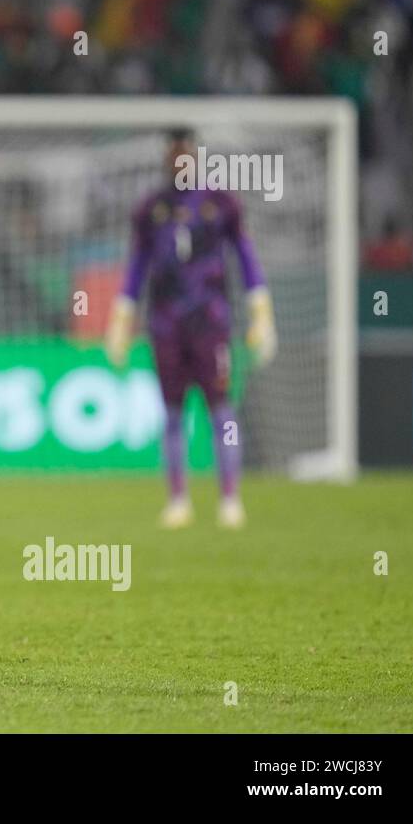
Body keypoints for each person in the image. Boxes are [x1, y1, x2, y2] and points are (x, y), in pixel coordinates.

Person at [105, 129, 277, 530]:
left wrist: (260, 307)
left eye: (185, 154)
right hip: (165, 326)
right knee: (172, 414)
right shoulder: (151, 209)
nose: (179, 161)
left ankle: (230, 498)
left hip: (210, 324)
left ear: (196, 157)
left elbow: (245, 255)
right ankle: (178, 499)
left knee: (222, 412)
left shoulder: (221, 205)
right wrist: (121, 314)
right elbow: (137, 265)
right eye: (173, 154)